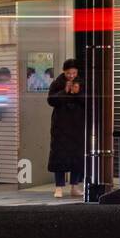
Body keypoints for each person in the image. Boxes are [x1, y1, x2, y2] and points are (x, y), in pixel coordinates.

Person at [47, 58, 86, 198]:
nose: (71, 76)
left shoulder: (82, 83)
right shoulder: (57, 83)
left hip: (77, 127)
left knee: (76, 158)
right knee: (60, 157)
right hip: (61, 127)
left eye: (74, 73)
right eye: (69, 73)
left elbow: (89, 101)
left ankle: (75, 187)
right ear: (64, 71)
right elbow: (51, 100)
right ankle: (59, 187)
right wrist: (65, 91)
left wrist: (78, 93)